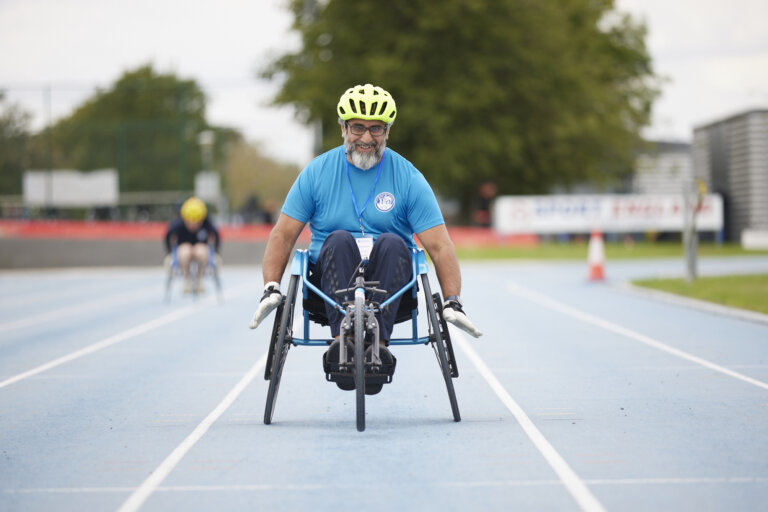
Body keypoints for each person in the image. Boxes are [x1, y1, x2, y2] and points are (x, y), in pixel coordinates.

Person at [249, 83, 481, 355]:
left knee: (394, 243)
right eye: (358, 127)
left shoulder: (409, 177)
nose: (367, 138)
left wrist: (452, 300)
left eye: (376, 128)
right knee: (337, 239)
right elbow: (283, 235)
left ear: (387, 131)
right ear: (343, 128)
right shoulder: (316, 173)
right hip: (329, 282)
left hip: (393, 283)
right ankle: (343, 343)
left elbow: (440, 246)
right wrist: (271, 287)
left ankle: (377, 346)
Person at [164, 196, 221, 293]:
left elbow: (216, 235)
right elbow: (168, 235)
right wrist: (169, 252)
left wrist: (216, 251)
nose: (194, 224)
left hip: (200, 250)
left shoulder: (206, 223)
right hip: (184, 251)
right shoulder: (178, 224)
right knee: (185, 250)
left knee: (200, 250)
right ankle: (186, 280)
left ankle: (199, 280)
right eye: (190, 221)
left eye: (197, 221)